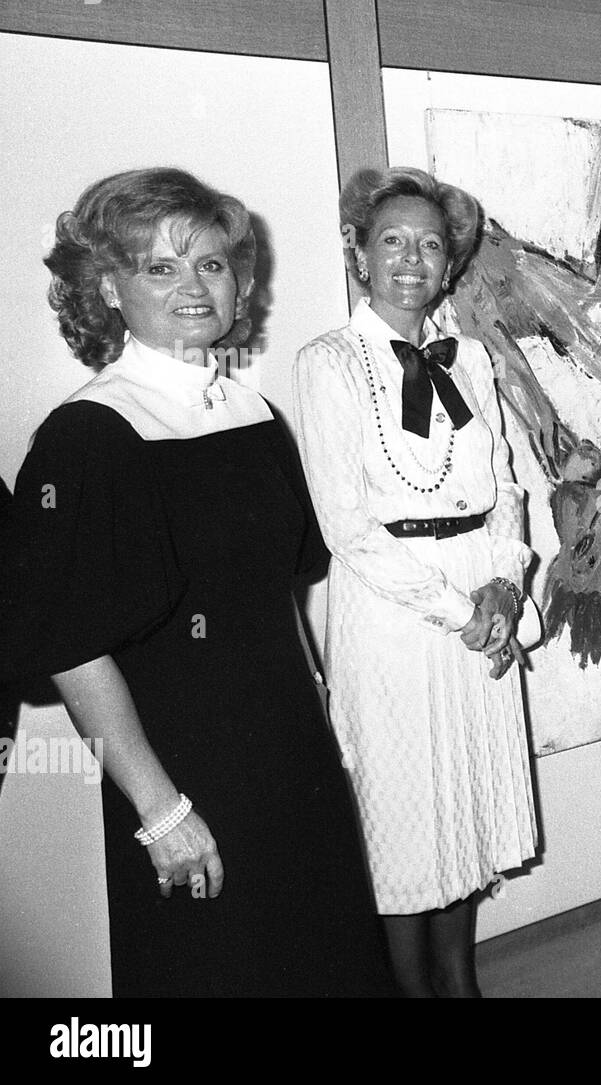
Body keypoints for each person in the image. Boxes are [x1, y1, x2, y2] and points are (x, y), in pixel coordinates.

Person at [0, 167, 394, 996]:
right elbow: (71, 650)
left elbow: (279, 594)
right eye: (160, 267)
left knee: (328, 960)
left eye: (211, 264)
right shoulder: (87, 436)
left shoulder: (252, 415)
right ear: (107, 288)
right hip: (181, 768)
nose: (193, 286)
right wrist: (161, 810)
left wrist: (322, 710)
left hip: (287, 748)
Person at [293, 166, 538, 998]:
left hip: (481, 596)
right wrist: (461, 611)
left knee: (461, 800)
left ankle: (459, 982)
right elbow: (346, 526)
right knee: (402, 814)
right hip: (394, 613)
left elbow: (505, 486)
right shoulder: (326, 362)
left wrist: (504, 587)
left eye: (431, 244)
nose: (412, 258)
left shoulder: (470, 358)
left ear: (449, 264)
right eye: (391, 240)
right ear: (359, 254)